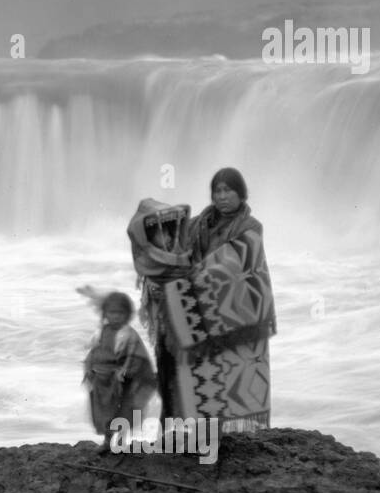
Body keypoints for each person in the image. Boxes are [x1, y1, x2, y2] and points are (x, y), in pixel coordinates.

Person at [129, 168, 275, 435]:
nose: (222, 197)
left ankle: (225, 434)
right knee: (182, 369)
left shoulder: (251, 228)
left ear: (241, 194)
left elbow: (237, 263)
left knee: (226, 372)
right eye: (217, 191)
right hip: (195, 305)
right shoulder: (197, 224)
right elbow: (173, 245)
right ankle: (176, 429)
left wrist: (188, 282)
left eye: (228, 190)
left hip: (234, 309)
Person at [77, 287, 158, 451]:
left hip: (120, 382)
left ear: (127, 315)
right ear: (105, 313)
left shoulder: (129, 335)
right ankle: (107, 442)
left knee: (122, 411)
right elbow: (92, 353)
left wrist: (125, 371)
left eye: (119, 313)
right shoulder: (100, 332)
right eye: (111, 312)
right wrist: (88, 370)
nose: (115, 316)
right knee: (104, 412)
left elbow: (137, 358)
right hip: (101, 381)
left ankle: (121, 442)